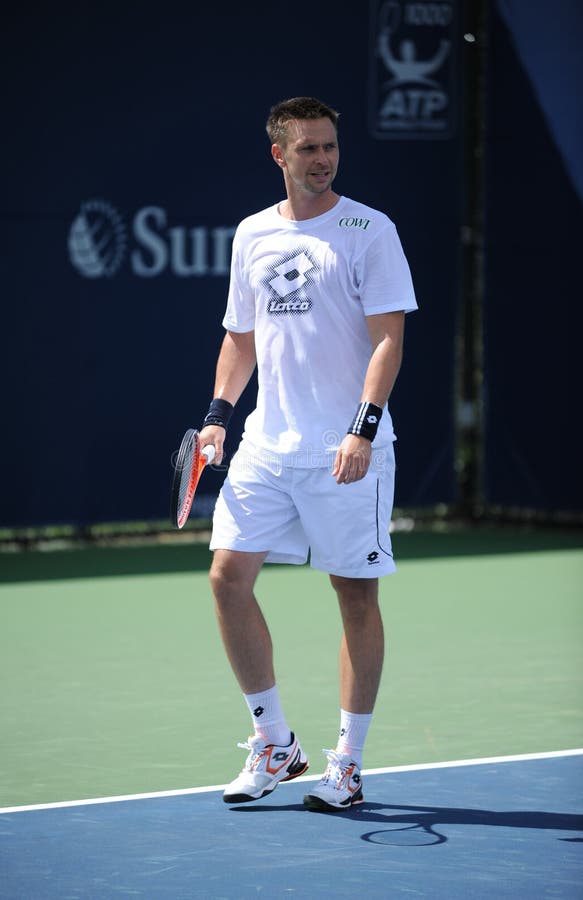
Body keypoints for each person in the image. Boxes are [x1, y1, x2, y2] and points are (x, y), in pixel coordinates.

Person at [198, 96, 417, 811]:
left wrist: (360, 427)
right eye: (307, 150)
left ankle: (346, 762)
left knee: (353, 594)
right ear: (278, 155)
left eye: (329, 147)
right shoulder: (252, 234)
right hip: (267, 443)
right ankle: (273, 743)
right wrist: (216, 418)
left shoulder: (368, 230)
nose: (321, 160)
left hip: (345, 448)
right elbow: (241, 336)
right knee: (227, 576)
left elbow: (389, 336)